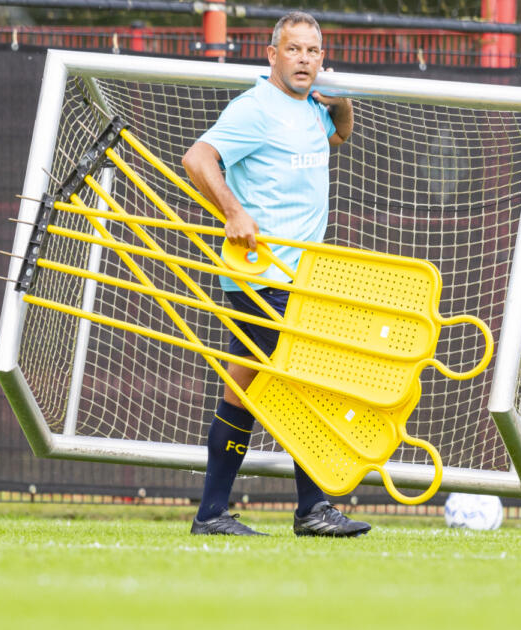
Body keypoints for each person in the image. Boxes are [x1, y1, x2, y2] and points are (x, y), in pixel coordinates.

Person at [181, 12, 369, 537]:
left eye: (312, 50)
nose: (304, 58)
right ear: (272, 54)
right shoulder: (255, 108)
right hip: (263, 276)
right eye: (294, 49)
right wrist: (233, 212)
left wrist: (342, 104)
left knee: (241, 389)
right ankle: (313, 510)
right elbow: (198, 158)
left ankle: (211, 515)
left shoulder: (311, 106)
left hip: (300, 277)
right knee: (308, 382)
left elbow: (337, 138)